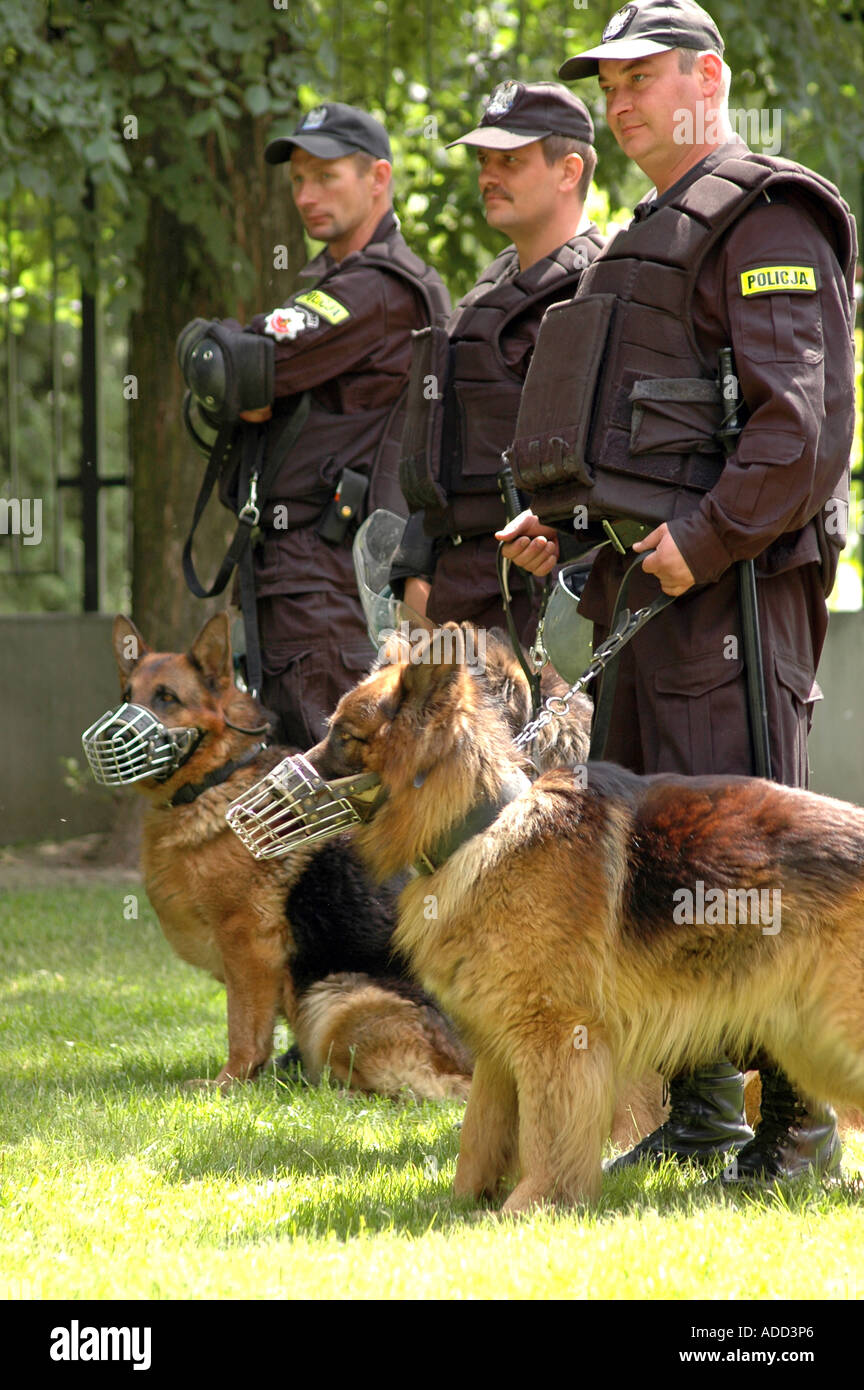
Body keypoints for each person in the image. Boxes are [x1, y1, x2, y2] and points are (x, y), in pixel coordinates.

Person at [497, 0, 858, 1182]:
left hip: (735, 595)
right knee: (666, 859)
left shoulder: (765, 215)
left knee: (748, 866)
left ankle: (800, 1121)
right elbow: (644, 433)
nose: (619, 97)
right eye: (608, 81)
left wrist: (700, 543)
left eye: (640, 75)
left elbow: (796, 431)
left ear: (709, 76)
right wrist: (567, 528)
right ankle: (702, 1102)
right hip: (649, 595)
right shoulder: (652, 234)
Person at [182, 103, 450, 746]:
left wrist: (234, 372)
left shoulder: (377, 291)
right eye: (298, 178)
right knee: (307, 781)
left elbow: (232, 364)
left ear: (378, 178)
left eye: (327, 176)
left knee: (333, 781)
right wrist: (234, 376)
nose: (306, 194)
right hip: (302, 570)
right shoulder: (342, 283)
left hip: (326, 577)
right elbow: (232, 371)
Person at [392, 82, 604, 643]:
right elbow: (440, 451)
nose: (488, 174)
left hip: (543, 598)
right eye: (485, 160)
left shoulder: (600, 291)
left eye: (510, 159)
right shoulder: (484, 295)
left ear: (569, 170)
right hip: (457, 588)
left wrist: (568, 551)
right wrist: (415, 568)